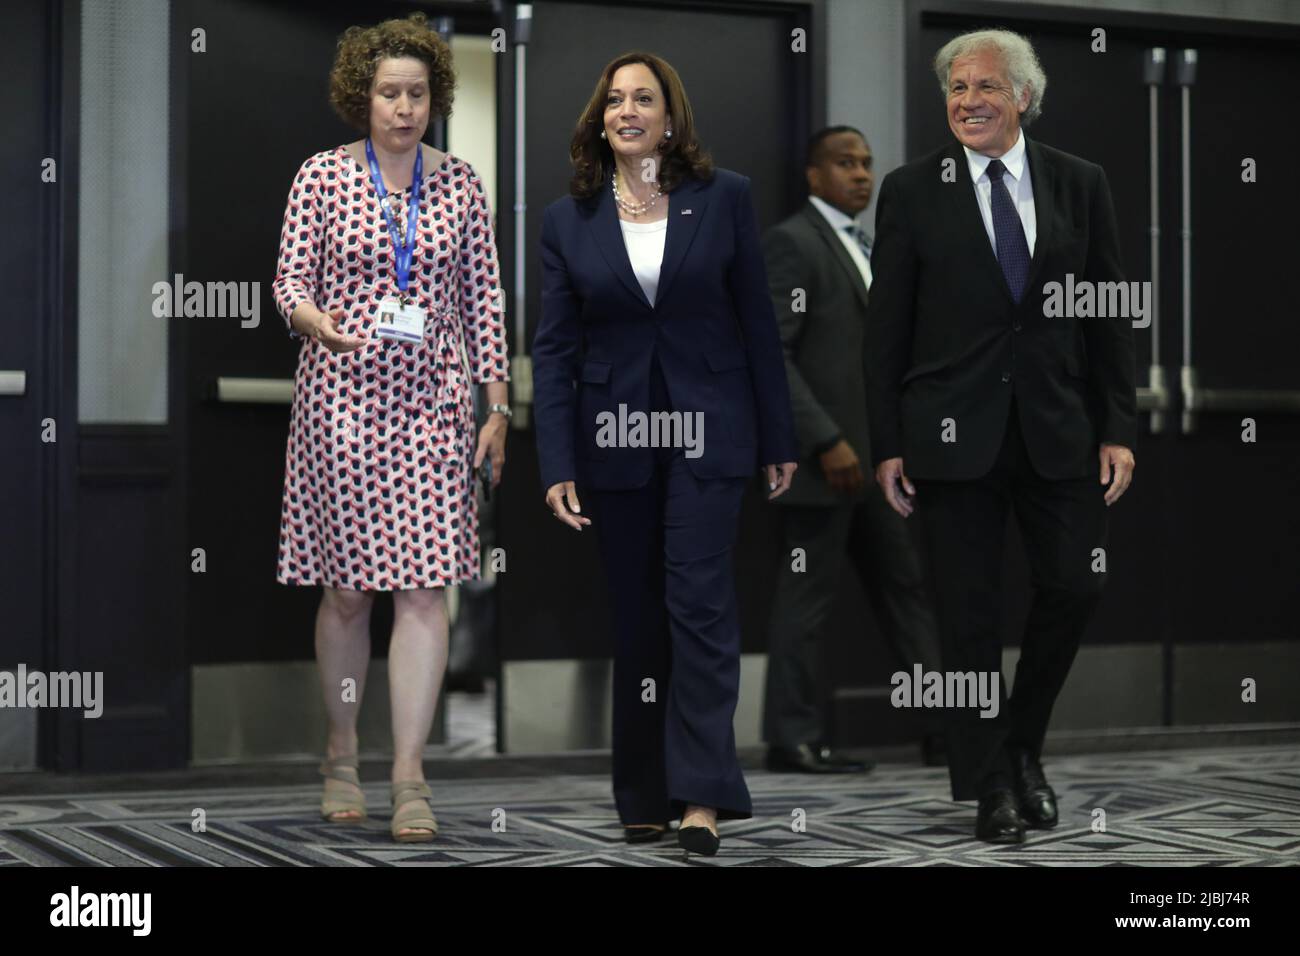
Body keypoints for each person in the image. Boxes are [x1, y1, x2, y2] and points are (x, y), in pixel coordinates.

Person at [865, 29, 1136, 843]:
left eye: (985, 86)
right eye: (955, 88)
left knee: (1074, 586)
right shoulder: (912, 190)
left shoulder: (1080, 185)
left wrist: (1118, 424)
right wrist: (887, 442)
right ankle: (991, 783)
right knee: (969, 617)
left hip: (1058, 427)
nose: (967, 101)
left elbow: (1108, 310)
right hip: (950, 436)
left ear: (1023, 96)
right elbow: (887, 330)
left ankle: (1021, 743)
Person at [532, 51, 798, 857]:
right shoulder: (565, 219)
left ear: (670, 116)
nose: (627, 110)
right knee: (638, 618)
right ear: (598, 119)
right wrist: (556, 462)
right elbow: (552, 351)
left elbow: (758, 323)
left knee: (702, 608)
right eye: (613, 99)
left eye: (643, 98)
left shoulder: (725, 199)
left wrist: (778, 437)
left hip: (710, 430)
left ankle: (702, 799)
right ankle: (642, 795)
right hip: (611, 438)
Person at [270, 13, 510, 843]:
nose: (403, 108)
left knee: (425, 587)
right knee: (348, 590)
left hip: (435, 409)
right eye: (388, 93)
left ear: (434, 98)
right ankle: (341, 753)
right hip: (342, 404)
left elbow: (484, 300)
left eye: (416, 94)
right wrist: (314, 321)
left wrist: (498, 405)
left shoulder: (462, 184)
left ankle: (409, 771)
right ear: (361, 98)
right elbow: (287, 282)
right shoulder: (323, 177)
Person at [761, 126, 944, 774]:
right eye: (845, 164)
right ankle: (792, 739)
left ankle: (944, 731)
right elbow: (771, 357)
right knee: (805, 602)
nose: (861, 175)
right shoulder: (792, 243)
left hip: (877, 466)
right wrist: (826, 440)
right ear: (814, 176)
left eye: (867, 164)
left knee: (908, 590)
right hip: (825, 466)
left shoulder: (868, 243)